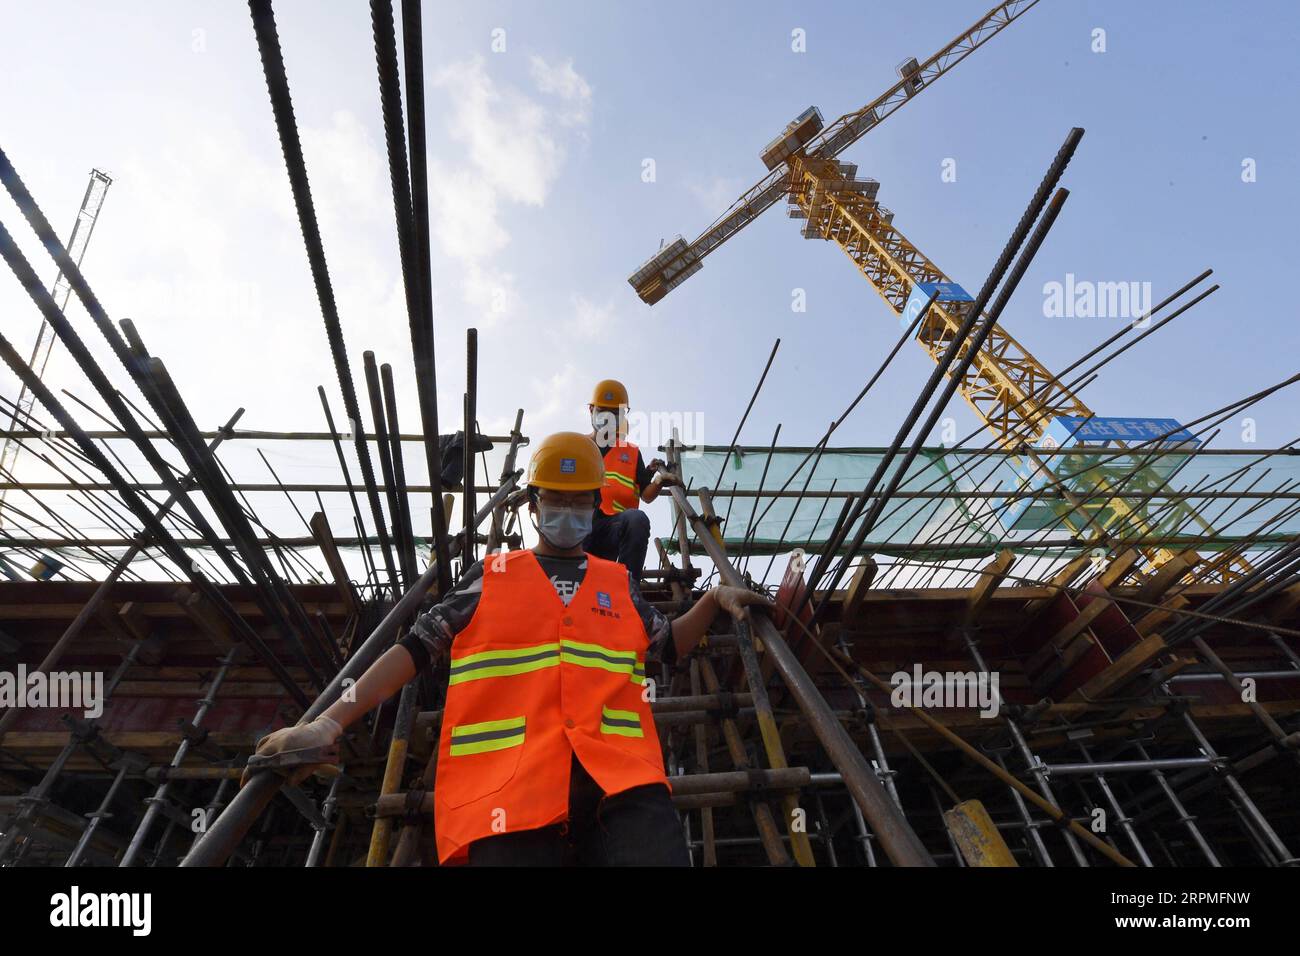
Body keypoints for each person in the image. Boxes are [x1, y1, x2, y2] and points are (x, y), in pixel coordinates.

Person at [245, 431, 770, 866]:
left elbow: (669, 646)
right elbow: (413, 650)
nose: (567, 509)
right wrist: (329, 723)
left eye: (578, 499)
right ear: (534, 504)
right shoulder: (491, 575)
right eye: (555, 499)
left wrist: (711, 600)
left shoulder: (618, 581)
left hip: (622, 781)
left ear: (595, 503)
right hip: (509, 789)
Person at [584, 378, 681, 582]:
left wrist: (659, 481)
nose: (609, 418)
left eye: (615, 413)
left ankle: (628, 588)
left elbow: (646, 495)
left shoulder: (631, 453)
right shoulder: (576, 446)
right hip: (579, 529)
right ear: (591, 409)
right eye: (603, 411)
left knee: (637, 519)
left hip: (614, 529)